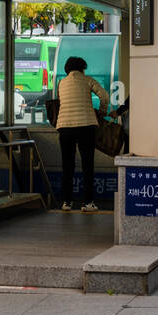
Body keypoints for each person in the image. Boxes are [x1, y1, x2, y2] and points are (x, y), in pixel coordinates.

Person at [55, 56, 109, 212]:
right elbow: (104, 96)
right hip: (85, 126)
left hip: (64, 126)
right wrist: (102, 112)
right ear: (82, 68)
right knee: (87, 165)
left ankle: (66, 202)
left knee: (67, 165)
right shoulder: (87, 80)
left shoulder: (62, 83)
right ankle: (88, 203)